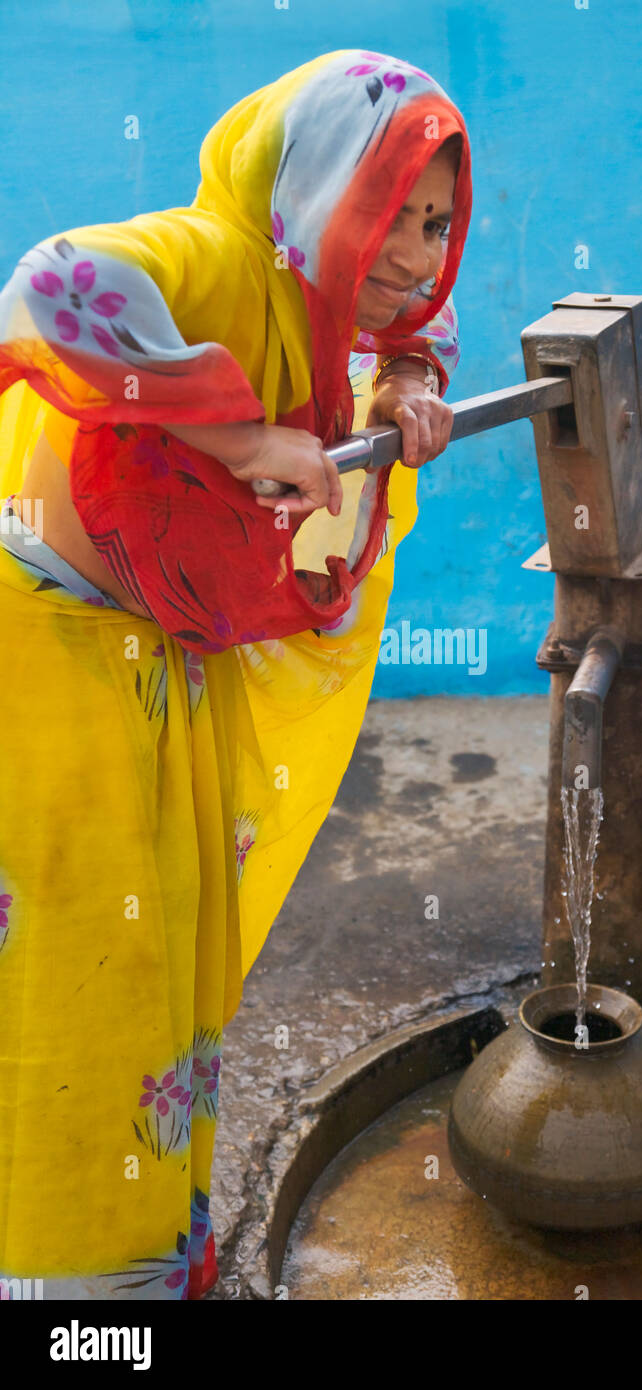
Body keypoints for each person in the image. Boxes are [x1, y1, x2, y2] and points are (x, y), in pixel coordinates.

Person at [0, 47, 471, 1300]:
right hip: (47, 659)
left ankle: (150, 1261)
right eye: (391, 213)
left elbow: (431, 322)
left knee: (169, 971)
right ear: (315, 195)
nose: (418, 255)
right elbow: (49, 286)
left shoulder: (340, 306)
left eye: (437, 220)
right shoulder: (217, 256)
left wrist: (414, 379)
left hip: (153, 659)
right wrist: (235, 430)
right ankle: (70, 1292)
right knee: (77, 977)